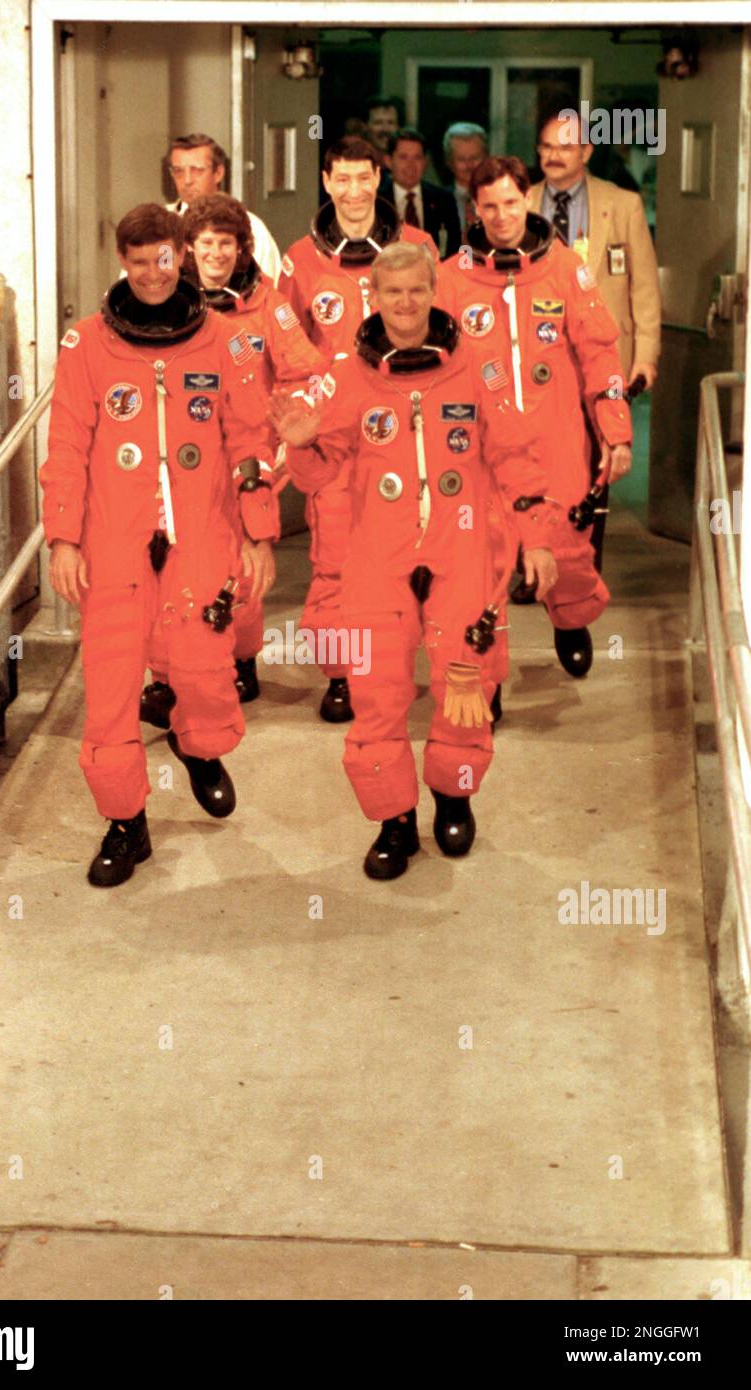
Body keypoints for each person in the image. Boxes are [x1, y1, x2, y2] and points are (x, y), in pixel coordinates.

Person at [271, 241, 558, 880]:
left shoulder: (478, 368)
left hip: (460, 553)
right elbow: (322, 472)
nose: (405, 305)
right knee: (376, 693)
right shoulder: (347, 375)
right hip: (377, 560)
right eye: (391, 292)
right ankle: (392, 819)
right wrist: (301, 445)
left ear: (435, 293)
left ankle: (453, 795)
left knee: (466, 682)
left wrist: (538, 535)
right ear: (372, 297)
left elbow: (515, 456)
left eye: (416, 291)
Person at [40, 203, 278, 888]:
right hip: (113, 543)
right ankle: (125, 822)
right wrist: (62, 537)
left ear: (183, 256)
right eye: (138, 262)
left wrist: (261, 531)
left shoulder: (229, 341)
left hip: (202, 537)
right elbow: (67, 448)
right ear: (123, 263)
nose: (151, 273)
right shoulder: (86, 345)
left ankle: (199, 748)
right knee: (111, 687)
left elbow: (250, 442)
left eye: (163, 259)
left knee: (204, 662)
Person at [435, 155, 633, 681]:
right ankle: (485, 673)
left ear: (528, 198)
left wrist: (615, 433)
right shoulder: (450, 279)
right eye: (489, 207)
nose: (501, 216)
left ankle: (570, 619)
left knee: (567, 547)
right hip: (483, 445)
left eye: (510, 202)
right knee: (485, 561)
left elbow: (601, 354)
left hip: (558, 438)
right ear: (474, 209)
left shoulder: (566, 269)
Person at [139, 192, 324, 727]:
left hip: (246, 458)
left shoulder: (269, 304)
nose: (216, 253)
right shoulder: (168, 300)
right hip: (177, 460)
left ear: (242, 248)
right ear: (188, 250)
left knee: (241, 569)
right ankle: (164, 677)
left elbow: (305, 371)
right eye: (205, 244)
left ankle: (241, 661)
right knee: (166, 567)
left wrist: (287, 439)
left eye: (226, 243)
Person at [278, 136, 438, 722]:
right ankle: (343, 674)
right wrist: (305, 413)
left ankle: (400, 665)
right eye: (340, 179)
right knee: (335, 560)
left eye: (362, 178)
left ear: (379, 179)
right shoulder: (300, 259)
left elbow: (444, 329)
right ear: (327, 181)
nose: (352, 191)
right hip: (337, 439)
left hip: (404, 430)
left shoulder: (418, 246)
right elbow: (285, 347)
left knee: (413, 553)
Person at [530, 111, 661, 568]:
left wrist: (645, 357)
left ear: (586, 152)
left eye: (563, 147)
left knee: (597, 463)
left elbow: (643, 288)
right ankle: (535, 563)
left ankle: (584, 564)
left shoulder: (621, 204)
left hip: (601, 357)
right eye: (545, 147)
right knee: (536, 467)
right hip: (537, 360)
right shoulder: (520, 203)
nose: (552, 156)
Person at [166, 133, 282, 285]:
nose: (187, 180)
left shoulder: (250, 227)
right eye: (178, 171)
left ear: (218, 173)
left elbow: (268, 287)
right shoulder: (158, 226)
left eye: (197, 170)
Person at [385, 128, 462, 259]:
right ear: (388, 161)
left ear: (425, 162)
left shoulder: (444, 199)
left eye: (417, 157)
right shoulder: (377, 201)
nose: (411, 165)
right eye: (403, 157)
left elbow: (457, 248)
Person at [442, 122, 488, 231]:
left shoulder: (499, 198)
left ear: (486, 157)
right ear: (449, 162)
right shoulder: (438, 202)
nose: (469, 165)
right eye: (462, 159)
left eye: (474, 157)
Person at [365, 95, 404, 172]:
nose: (385, 129)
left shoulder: (409, 163)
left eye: (391, 123)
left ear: (398, 127)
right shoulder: (354, 163)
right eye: (378, 123)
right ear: (366, 127)